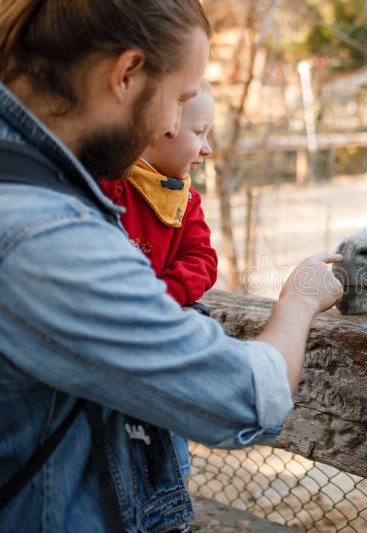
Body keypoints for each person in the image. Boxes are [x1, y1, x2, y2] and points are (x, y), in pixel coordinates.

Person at [0, 2, 342, 532]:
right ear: (127, 74)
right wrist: (298, 299)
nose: (174, 124)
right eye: (179, 98)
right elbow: (244, 398)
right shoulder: (48, 239)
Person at [98, 80, 219, 482]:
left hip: (160, 324)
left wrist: (163, 294)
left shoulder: (187, 200)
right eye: (198, 133)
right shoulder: (108, 187)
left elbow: (202, 258)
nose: (207, 148)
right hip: (109, 337)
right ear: (158, 126)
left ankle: (171, 480)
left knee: (163, 427)